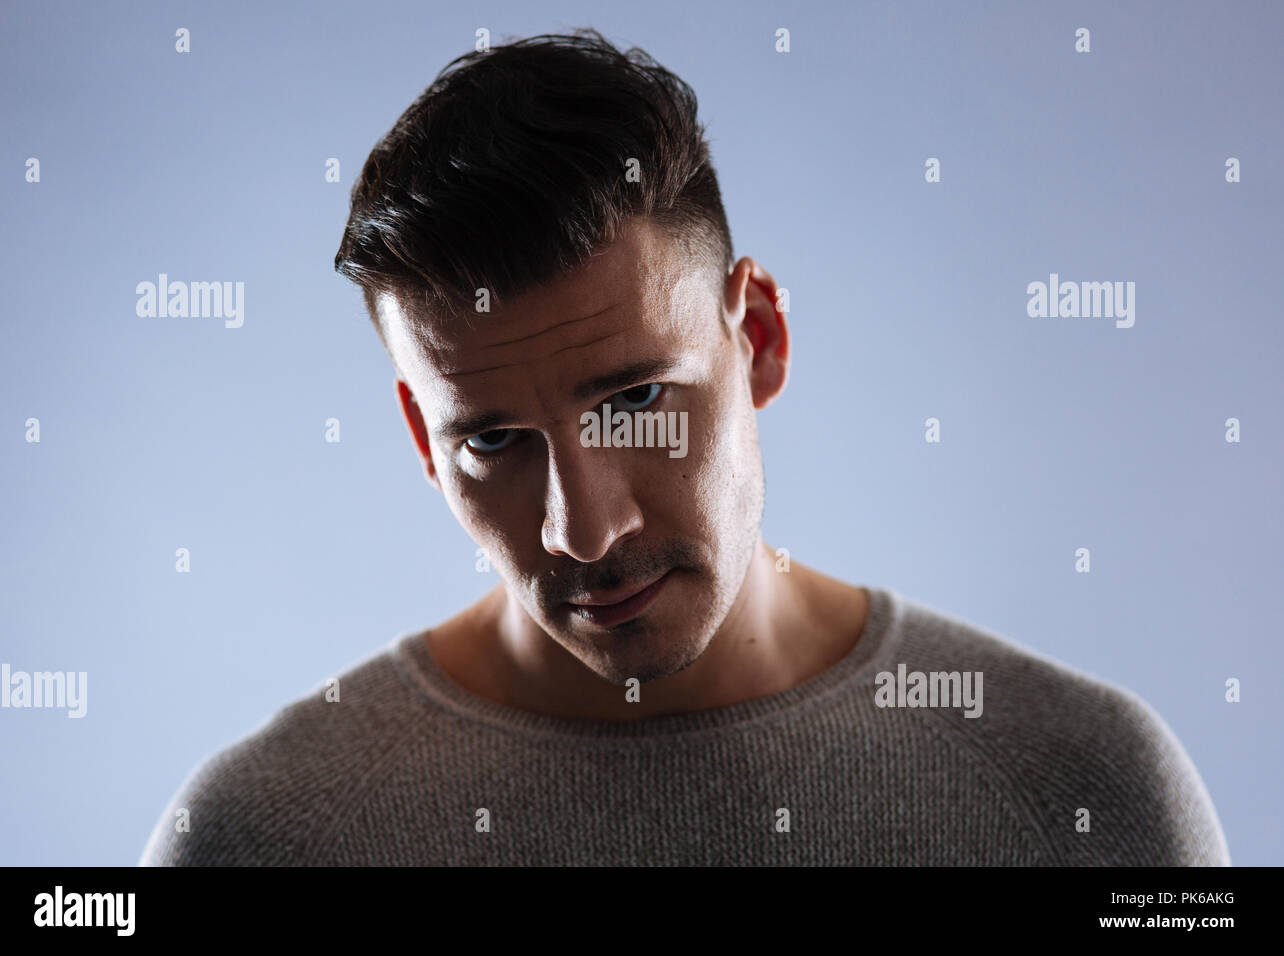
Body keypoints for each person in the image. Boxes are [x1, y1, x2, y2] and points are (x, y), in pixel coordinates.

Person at [140, 29, 1230, 866]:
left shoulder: (1085, 791)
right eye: (495, 440)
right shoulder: (260, 837)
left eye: (634, 399)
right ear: (423, 437)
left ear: (755, 336)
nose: (584, 526)